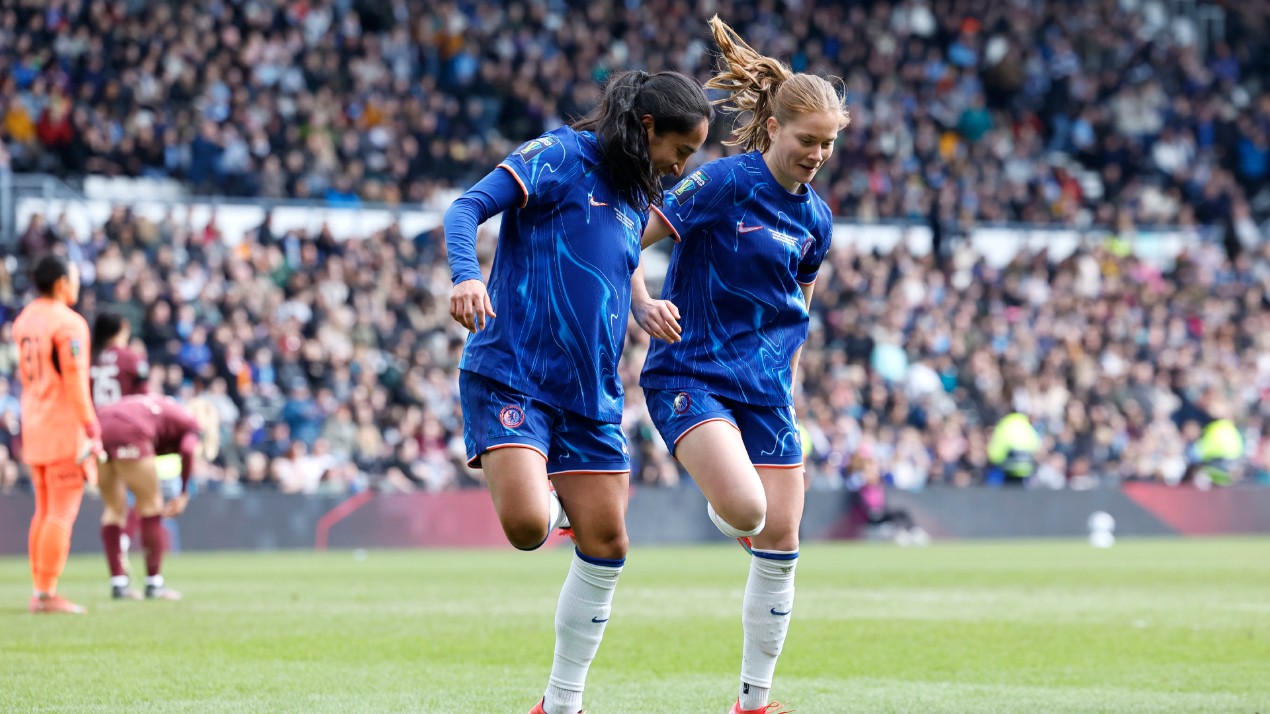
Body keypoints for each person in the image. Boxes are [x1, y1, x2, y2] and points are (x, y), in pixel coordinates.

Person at [444, 69, 711, 714]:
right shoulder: (560, 155)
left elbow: (616, 257)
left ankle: (561, 702)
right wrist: (464, 276)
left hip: (590, 392)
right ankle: (551, 500)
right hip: (515, 372)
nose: (680, 167)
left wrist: (644, 303)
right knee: (530, 526)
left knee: (609, 543)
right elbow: (465, 208)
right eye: (680, 150)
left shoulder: (633, 188)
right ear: (648, 127)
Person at [631, 16, 849, 713]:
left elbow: (800, 298)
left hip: (765, 393)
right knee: (749, 509)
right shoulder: (723, 183)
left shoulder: (817, 217)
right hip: (690, 374)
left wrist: (791, 369)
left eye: (828, 144)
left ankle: (754, 701)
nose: (817, 154)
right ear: (776, 129)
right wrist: (639, 303)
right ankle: (726, 494)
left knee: (783, 540)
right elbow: (630, 237)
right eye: (807, 140)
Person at [13, 255, 101, 614]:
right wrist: (92, 427)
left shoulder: (25, 319)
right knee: (60, 513)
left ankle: (40, 586)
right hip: (63, 428)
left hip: (33, 423)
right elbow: (76, 381)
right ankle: (46, 594)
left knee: (44, 510)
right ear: (63, 282)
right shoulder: (68, 323)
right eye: (75, 278)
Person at [95, 394, 206, 600]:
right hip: (129, 430)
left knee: (113, 508)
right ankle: (154, 584)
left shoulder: (165, 406)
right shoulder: (191, 423)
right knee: (151, 504)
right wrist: (183, 493)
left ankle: (118, 583)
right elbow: (188, 450)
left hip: (98, 425)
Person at [91, 311, 151, 568]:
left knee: (113, 506)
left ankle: (117, 578)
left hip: (97, 434)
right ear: (123, 327)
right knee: (150, 497)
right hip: (126, 431)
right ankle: (149, 573)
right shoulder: (130, 357)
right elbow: (143, 398)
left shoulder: (89, 359)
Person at [90, 311, 150, 406]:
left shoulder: (89, 358)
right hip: (121, 417)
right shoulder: (131, 357)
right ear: (122, 329)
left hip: (94, 416)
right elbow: (143, 391)